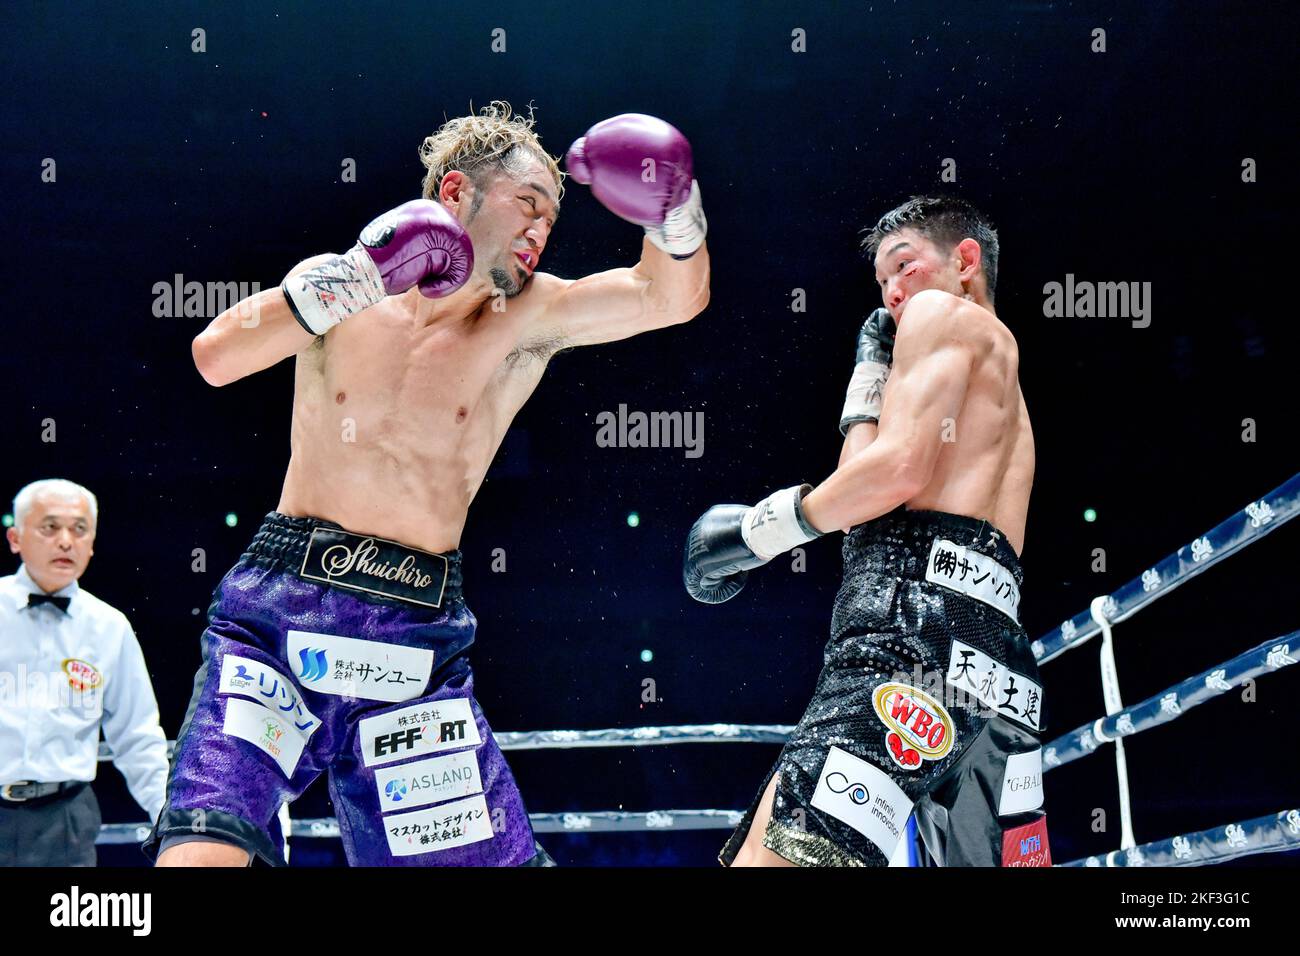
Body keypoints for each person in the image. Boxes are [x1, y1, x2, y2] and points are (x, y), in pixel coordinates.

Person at [146, 102, 710, 867]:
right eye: (527, 205)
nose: (542, 230)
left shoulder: (529, 315)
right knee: (200, 853)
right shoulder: (343, 286)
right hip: (278, 620)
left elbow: (669, 298)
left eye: (552, 216)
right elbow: (216, 355)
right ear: (455, 194)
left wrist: (676, 210)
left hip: (412, 644)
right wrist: (356, 276)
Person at [684, 196, 1049, 867]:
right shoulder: (1009, 397)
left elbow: (900, 470)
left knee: (776, 859)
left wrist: (759, 532)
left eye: (905, 266)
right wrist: (870, 378)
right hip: (996, 669)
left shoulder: (945, 315)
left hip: (911, 634)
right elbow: (867, 487)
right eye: (882, 280)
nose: (893, 291)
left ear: (965, 261)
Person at [1, 479, 169, 865]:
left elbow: (137, 734)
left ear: (91, 543)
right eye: (50, 527)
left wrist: (171, 819)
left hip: (66, 820)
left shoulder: (109, 626)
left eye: (79, 530)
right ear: (15, 537)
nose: (65, 541)